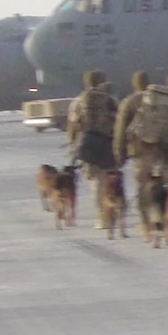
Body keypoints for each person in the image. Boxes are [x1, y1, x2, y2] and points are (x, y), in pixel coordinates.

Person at [66, 70, 119, 229]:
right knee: (109, 179)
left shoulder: (79, 101)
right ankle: (111, 212)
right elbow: (118, 121)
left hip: (89, 145)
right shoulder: (110, 100)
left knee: (95, 183)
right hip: (108, 143)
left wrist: (73, 144)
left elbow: (73, 125)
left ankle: (102, 217)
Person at [113, 70, 153, 201]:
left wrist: (119, 151)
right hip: (163, 149)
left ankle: (147, 217)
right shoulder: (161, 98)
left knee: (144, 184)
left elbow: (120, 128)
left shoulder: (129, 102)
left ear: (134, 84)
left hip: (140, 150)